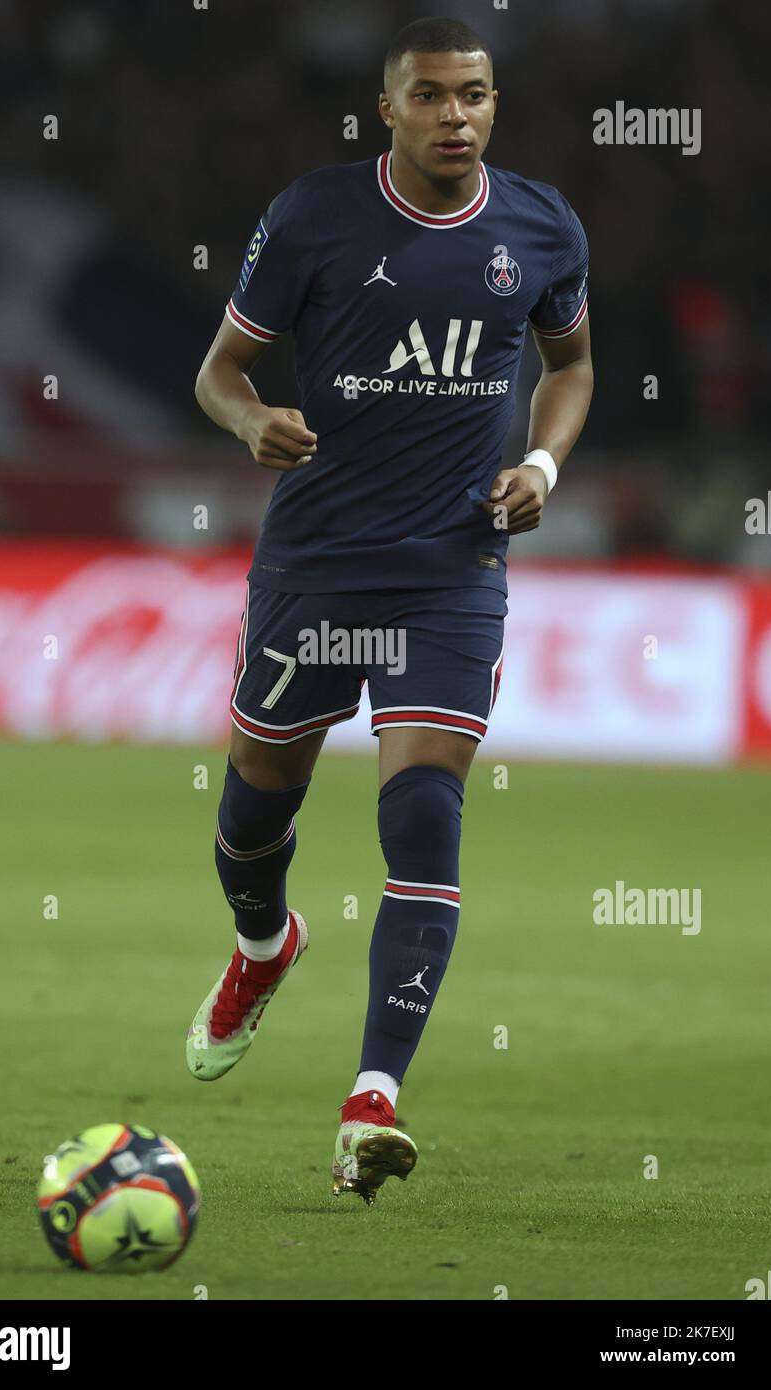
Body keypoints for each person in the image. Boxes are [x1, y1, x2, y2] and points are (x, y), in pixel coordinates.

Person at [187, 15, 593, 1204]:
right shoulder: (312, 216)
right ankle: (264, 946)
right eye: (430, 96)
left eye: (473, 95)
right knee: (255, 816)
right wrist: (248, 418)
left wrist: (545, 468)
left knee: (423, 813)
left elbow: (568, 366)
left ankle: (371, 1104)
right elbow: (217, 370)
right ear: (389, 109)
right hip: (314, 568)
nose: (455, 115)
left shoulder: (541, 226)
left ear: (492, 104)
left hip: (449, 573)